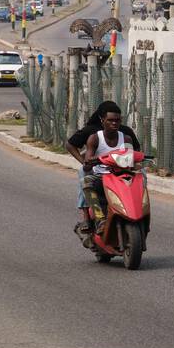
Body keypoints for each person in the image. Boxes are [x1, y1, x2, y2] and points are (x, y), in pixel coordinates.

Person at [65, 101, 141, 244]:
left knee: (141, 176)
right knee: (85, 178)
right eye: (110, 120)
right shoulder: (93, 135)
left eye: (117, 120)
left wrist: (136, 163)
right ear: (102, 119)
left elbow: (134, 155)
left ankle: (139, 210)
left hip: (121, 175)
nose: (114, 123)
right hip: (101, 176)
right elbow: (76, 149)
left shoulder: (126, 136)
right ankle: (94, 218)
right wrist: (86, 162)